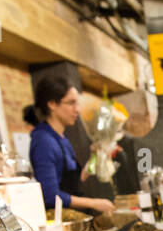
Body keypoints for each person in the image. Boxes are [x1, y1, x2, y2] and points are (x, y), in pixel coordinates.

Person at [24, 72, 114, 215]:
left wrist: (95, 158)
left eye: (77, 103)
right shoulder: (44, 141)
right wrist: (94, 203)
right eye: (71, 103)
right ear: (52, 104)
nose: (77, 109)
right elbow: (50, 196)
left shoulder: (62, 138)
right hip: (62, 220)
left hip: (74, 215)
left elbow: (72, 181)